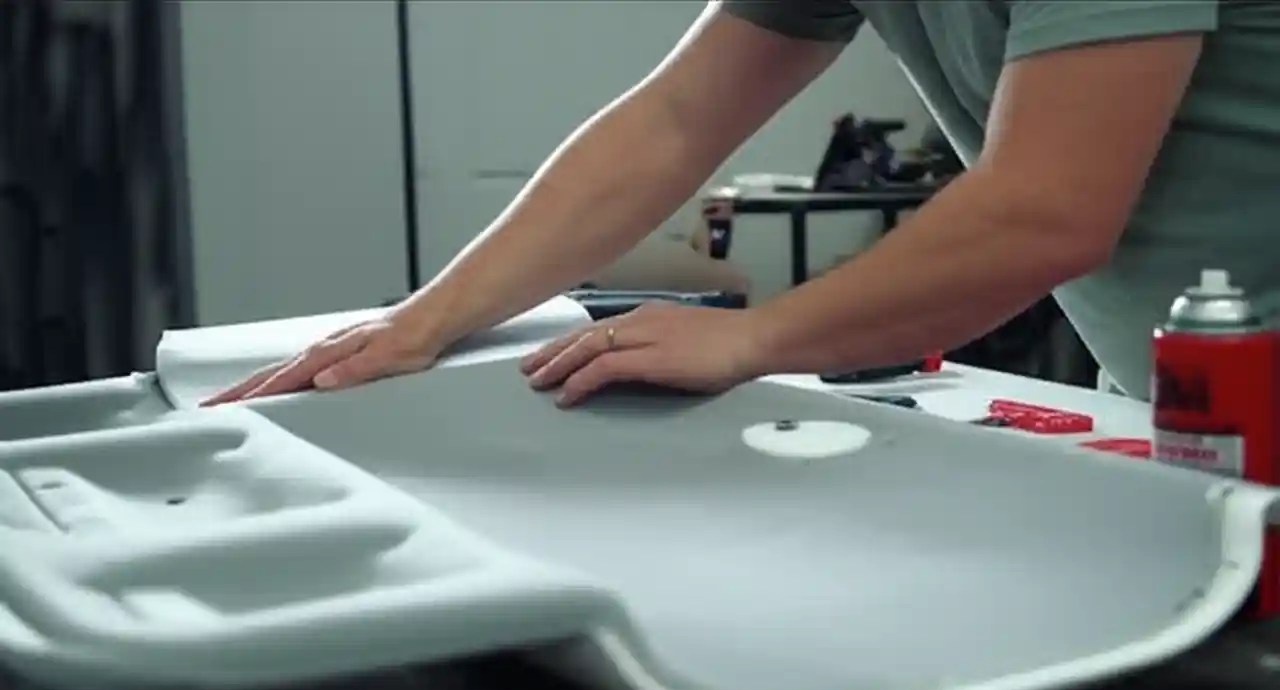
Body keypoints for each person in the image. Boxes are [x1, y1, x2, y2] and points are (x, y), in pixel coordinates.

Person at [205, 0, 1280, 409]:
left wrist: (754, 339)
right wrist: (419, 322)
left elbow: (1049, 206)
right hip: (1188, 390)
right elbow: (673, 120)